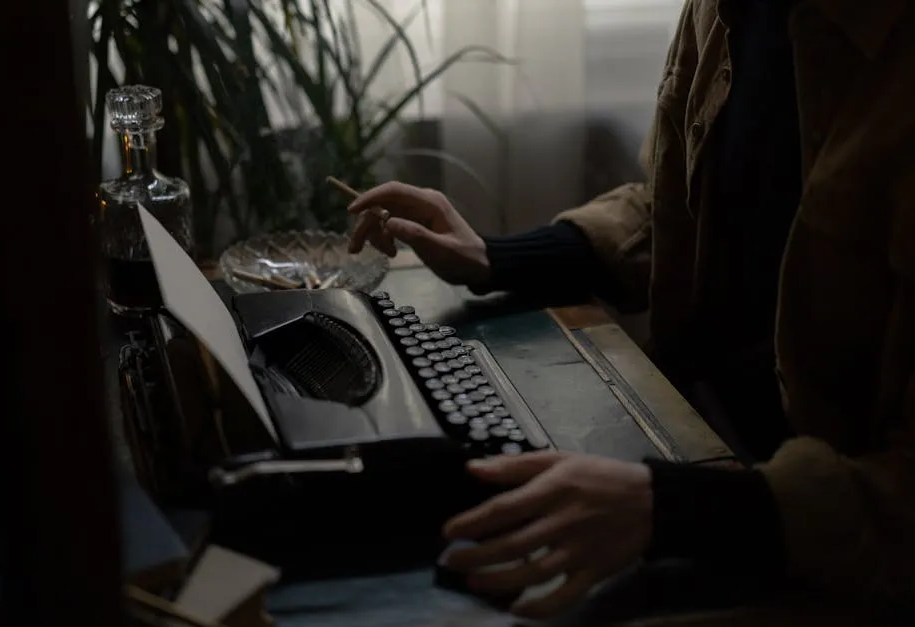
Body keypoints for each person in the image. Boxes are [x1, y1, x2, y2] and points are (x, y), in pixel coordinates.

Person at [345, 0, 915, 620]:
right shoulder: (724, 13)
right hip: (697, 448)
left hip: (809, 538)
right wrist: (496, 257)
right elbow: (679, 207)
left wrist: (673, 510)